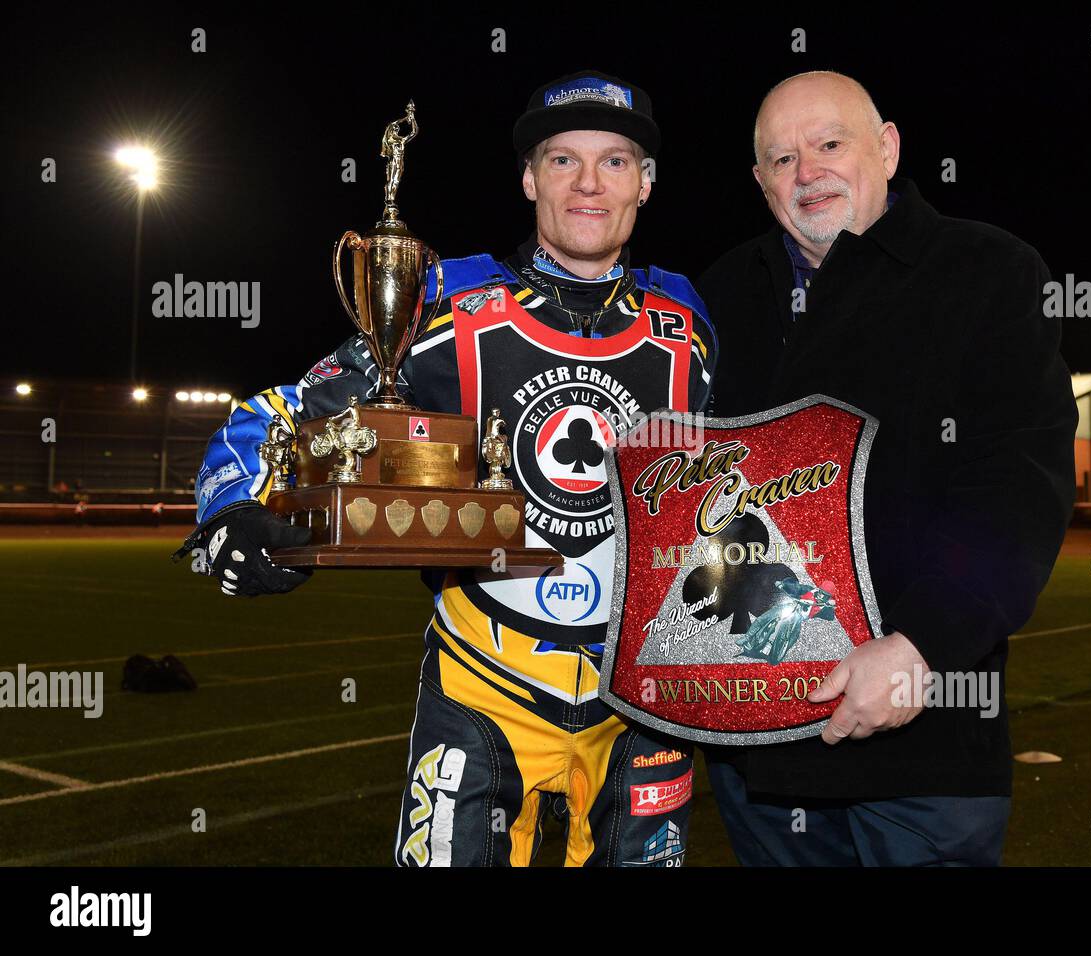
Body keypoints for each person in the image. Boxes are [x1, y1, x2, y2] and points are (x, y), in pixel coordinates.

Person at [176, 70, 716, 867]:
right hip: (482, 686)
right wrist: (231, 508)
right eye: (563, 160)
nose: (589, 183)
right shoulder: (447, 301)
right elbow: (286, 412)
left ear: (647, 182)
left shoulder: (690, 321)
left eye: (615, 161)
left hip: (639, 702)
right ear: (530, 179)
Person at [695, 71, 1077, 866]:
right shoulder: (721, 294)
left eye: (829, 144)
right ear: (760, 180)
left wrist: (920, 646)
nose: (808, 173)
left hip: (923, 750)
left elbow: (1019, 485)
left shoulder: (988, 270)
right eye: (782, 157)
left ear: (889, 148)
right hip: (758, 753)